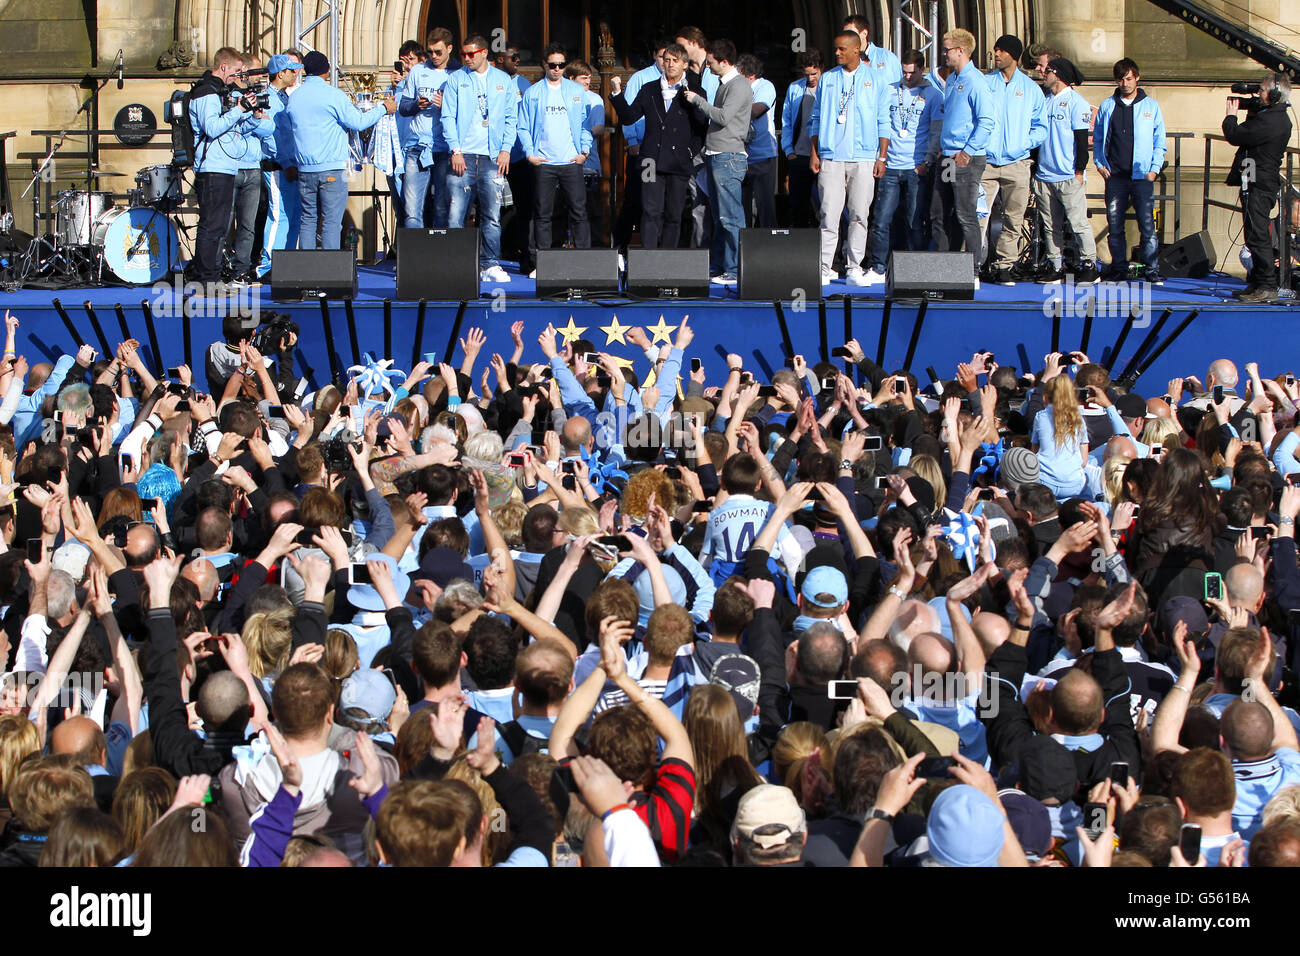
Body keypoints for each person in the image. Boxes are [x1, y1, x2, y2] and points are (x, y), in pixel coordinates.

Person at [287, 51, 396, 251]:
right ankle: (329, 273)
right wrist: (382, 108)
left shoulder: (294, 98)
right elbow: (358, 122)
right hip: (332, 170)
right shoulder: (333, 95)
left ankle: (306, 272)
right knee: (331, 222)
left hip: (304, 169)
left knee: (308, 220)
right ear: (327, 71)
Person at [809, 30, 891, 285]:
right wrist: (815, 153)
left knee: (859, 214)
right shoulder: (828, 79)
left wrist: (882, 157)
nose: (837, 53)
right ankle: (824, 266)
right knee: (829, 214)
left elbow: (883, 121)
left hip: (864, 157)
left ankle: (854, 266)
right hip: (832, 157)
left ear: (857, 50)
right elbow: (817, 118)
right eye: (836, 48)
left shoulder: (876, 80)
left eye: (842, 49)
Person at [608, 46, 707, 252]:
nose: (669, 64)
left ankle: (667, 261)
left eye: (675, 60)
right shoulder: (649, 88)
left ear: (685, 64)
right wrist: (617, 94)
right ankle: (648, 260)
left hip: (679, 161)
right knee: (650, 211)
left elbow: (701, 129)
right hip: (649, 160)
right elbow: (629, 117)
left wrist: (689, 153)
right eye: (667, 60)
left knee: (674, 214)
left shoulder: (696, 91)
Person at [441, 35, 519, 284]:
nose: (466, 58)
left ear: (484, 53)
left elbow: (511, 118)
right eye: (463, 54)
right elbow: (447, 117)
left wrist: (506, 149)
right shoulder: (456, 79)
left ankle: (491, 264)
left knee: (492, 214)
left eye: (471, 54)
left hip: (492, 156)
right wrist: (455, 150)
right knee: (456, 214)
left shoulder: (502, 80)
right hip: (463, 155)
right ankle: (455, 263)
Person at [186, 46, 264, 285]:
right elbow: (211, 128)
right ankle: (206, 280)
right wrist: (238, 110)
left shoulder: (220, 91)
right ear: (223, 67)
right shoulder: (207, 92)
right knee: (212, 227)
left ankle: (210, 277)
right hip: (212, 168)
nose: (239, 76)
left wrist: (250, 116)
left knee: (218, 227)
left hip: (224, 166)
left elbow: (230, 131)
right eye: (237, 71)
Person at [865, 49, 941, 280]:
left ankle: (914, 268)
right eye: (904, 72)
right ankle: (878, 266)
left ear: (921, 69)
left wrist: (927, 160)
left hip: (916, 166)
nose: (907, 77)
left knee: (914, 220)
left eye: (911, 72)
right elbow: (880, 123)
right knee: (881, 219)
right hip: (891, 165)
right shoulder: (889, 90)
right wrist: (881, 156)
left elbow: (936, 131)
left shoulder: (934, 95)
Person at [518, 43, 593, 275]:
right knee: (542, 214)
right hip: (545, 162)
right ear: (544, 65)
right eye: (553, 65)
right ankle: (543, 264)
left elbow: (585, 125)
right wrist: (530, 154)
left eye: (561, 65)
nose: (557, 69)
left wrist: (584, 152)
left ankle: (584, 263)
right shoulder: (533, 93)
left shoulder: (576, 92)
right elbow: (522, 126)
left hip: (571, 161)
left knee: (578, 212)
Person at [684, 38, 752, 285]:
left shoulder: (738, 85)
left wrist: (697, 101)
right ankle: (723, 266)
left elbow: (723, 117)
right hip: (716, 156)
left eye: (711, 63)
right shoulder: (727, 84)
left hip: (728, 157)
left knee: (730, 216)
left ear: (724, 62)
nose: (708, 67)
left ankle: (734, 271)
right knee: (719, 216)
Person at [1092, 58, 1167, 283]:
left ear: (1137, 78)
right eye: (1121, 79)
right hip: (1115, 176)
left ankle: (1152, 270)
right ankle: (1119, 269)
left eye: (1129, 78)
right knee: (1115, 226)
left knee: (1147, 225)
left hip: (1142, 176)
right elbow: (1097, 139)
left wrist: (1153, 170)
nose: (1125, 83)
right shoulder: (1107, 105)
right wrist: (1099, 163)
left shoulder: (1151, 106)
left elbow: (1159, 141)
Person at [981, 35, 1048, 284]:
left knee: (1014, 218)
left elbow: (1040, 127)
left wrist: (1023, 144)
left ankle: (1004, 265)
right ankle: (973, 264)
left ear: (1014, 55)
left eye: (1001, 50)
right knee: (978, 215)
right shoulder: (985, 83)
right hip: (986, 162)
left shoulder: (1031, 89)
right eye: (995, 49)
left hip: (1017, 163)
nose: (996, 54)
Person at [1223, 73, 1294, 302]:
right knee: (1253, 234)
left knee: (1258, 236)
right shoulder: (1270, 116)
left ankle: (1267, 286)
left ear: (1274, 95)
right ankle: (1257, 282)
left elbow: (1237, 135)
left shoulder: (1272, 121)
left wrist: (1230, 117)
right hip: (1253, 178)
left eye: (1262, 90)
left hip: (1260, 183)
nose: (1259, 94)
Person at [1033, 57, 1100, 284]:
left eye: (1048, 70)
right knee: (1050, 224)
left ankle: (1089, 263)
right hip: (1045, 174)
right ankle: (1055, 264)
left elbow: (1082, 141)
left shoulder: (1075, 102)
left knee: (1078, 222)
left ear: (1058, 74)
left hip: (1068, 174)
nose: (1043, 74)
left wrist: (1079, 170)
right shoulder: (1044, 100)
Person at [935, 29, 995, 277]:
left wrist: (967, 152)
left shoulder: (976, 82)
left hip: (965, 158)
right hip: (947, 156)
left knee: (965, 213)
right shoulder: (952, 79)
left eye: (947, 49)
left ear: (960, 51)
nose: (944, 53)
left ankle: (973, 269)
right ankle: (944, 266)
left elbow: (987, 121)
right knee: (939, 211)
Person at [398, 27, 455, 230]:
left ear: (449, 48)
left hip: (444, 149)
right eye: (430, 52)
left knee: (441, 207)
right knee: (412, 209)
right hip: (417, 146)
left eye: (438, 52)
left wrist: (446, 105)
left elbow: (468, 114)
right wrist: (416, 105)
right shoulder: (418, 71)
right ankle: (414, 259)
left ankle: (439, 257)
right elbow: (403, 107)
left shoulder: (457, 73)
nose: (434, 56)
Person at [258, 52, 305, 277]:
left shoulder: (286, 98)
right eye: (291, 70)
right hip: (277, 166)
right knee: (279, 215)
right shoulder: (268, 99)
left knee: (294, 214)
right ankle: (268, 266)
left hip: (290, 165)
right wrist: (285, 163)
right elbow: (271, 138)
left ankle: (286, 262)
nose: (296, 73)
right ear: (280, 73)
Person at [496, 46, 535, 275]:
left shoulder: (526, 86)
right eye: (513, 57)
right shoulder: (492, 81)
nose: (517, 60)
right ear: (501, 59)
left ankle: (526, 257)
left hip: (519, 155)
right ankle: (490, 255)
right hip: (496, 152)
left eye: (519, 57)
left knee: (524, 207)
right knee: (492, 207)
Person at [564, 60, 607, 245]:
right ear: (571, 79)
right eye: (584, 78)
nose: (588, 81)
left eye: (589, 77)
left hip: (589, 163)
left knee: (592, 209)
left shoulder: (595, 99)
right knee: (564, 209)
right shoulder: (561, 96)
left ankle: (594, 250)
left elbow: (598, 128)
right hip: (563, 162)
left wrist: (580, 130)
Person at [782, 49, 823, 228]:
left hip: (824, 156)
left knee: (826, 207)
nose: (811, 78)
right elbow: (787, 121)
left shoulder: (829, 87)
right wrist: (789, 150)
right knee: (798, 206)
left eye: (814, 73)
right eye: (807, 74)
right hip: (799, 154)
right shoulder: (795, 88)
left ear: (821, 69)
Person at [738, 54, 778, 229]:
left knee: (765, 204)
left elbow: (757, 110)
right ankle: (744, 247)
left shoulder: (765, 86)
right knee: (741, 206)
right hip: (741, 155)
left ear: (750, 75)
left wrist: (732, 109)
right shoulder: (737, 89)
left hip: (763, 154)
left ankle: (769, 246)